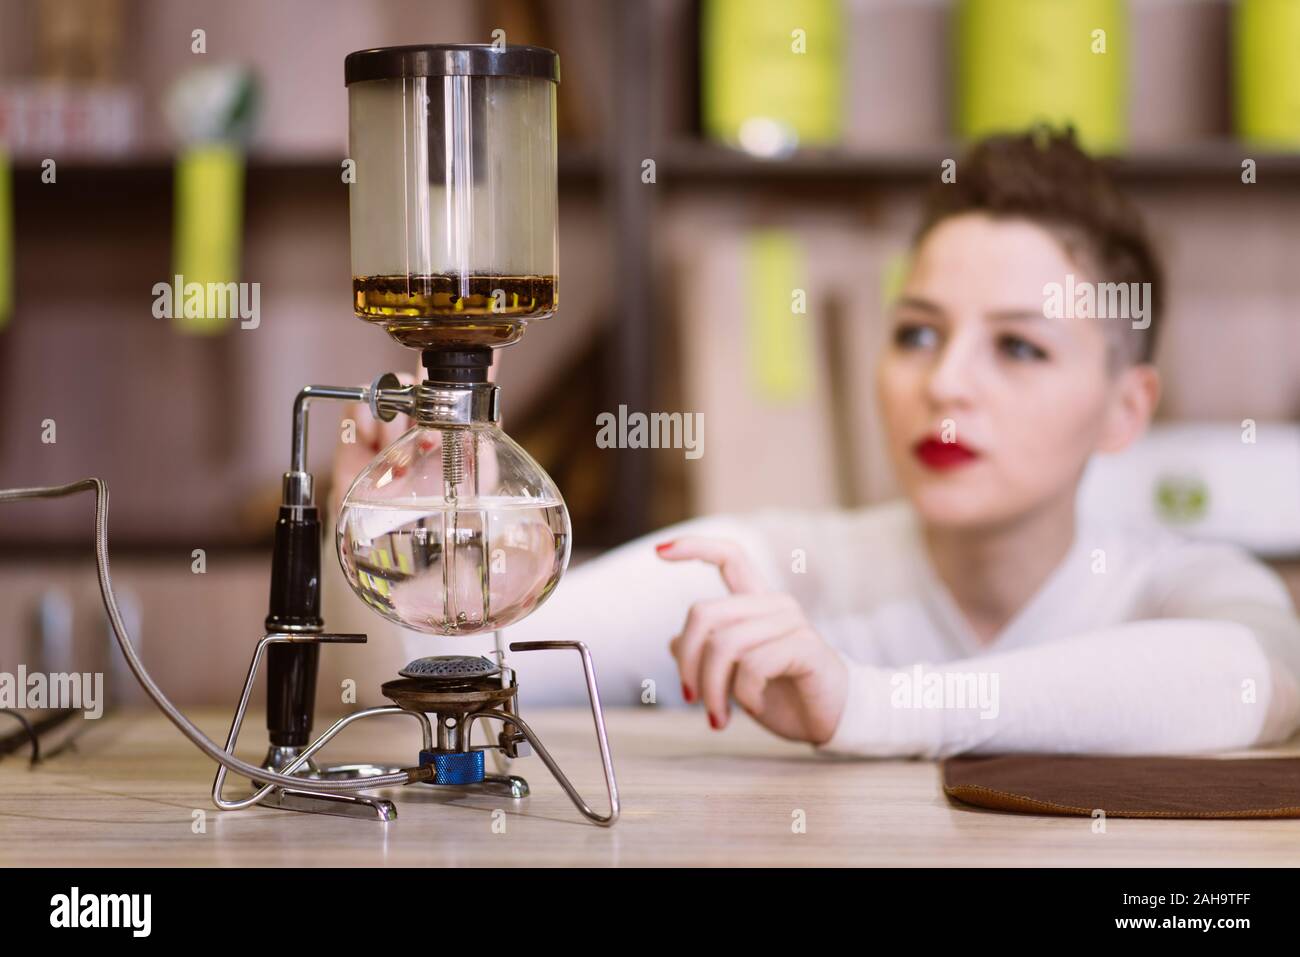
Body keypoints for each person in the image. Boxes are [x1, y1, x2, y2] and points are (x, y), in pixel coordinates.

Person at [324, 128, 1300, 759]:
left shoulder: (1179, 586)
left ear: (1126, 408)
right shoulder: (769, 570)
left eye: (1018, 345)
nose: (946, 382)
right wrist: (371, 517)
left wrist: (864, 705)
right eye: (916, 331)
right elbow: (409, 676)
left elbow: (1258, 683)